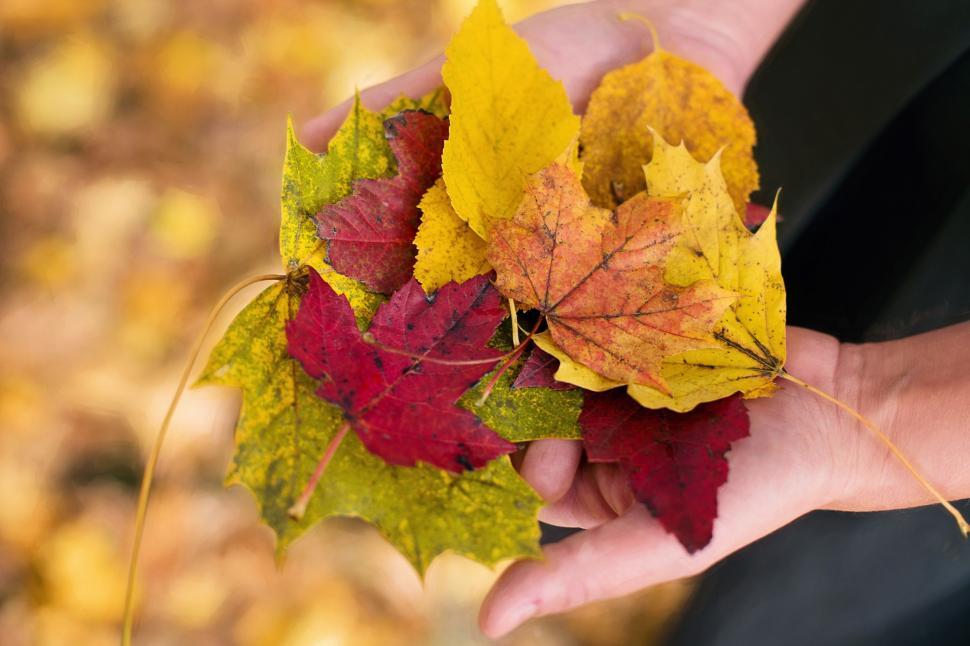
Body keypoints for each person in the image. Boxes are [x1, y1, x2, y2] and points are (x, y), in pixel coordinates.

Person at [302, 0, 970, 641]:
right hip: (843, 58)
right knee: (578, 441)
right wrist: (703, 21)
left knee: (806, 581)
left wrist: (881, 415)